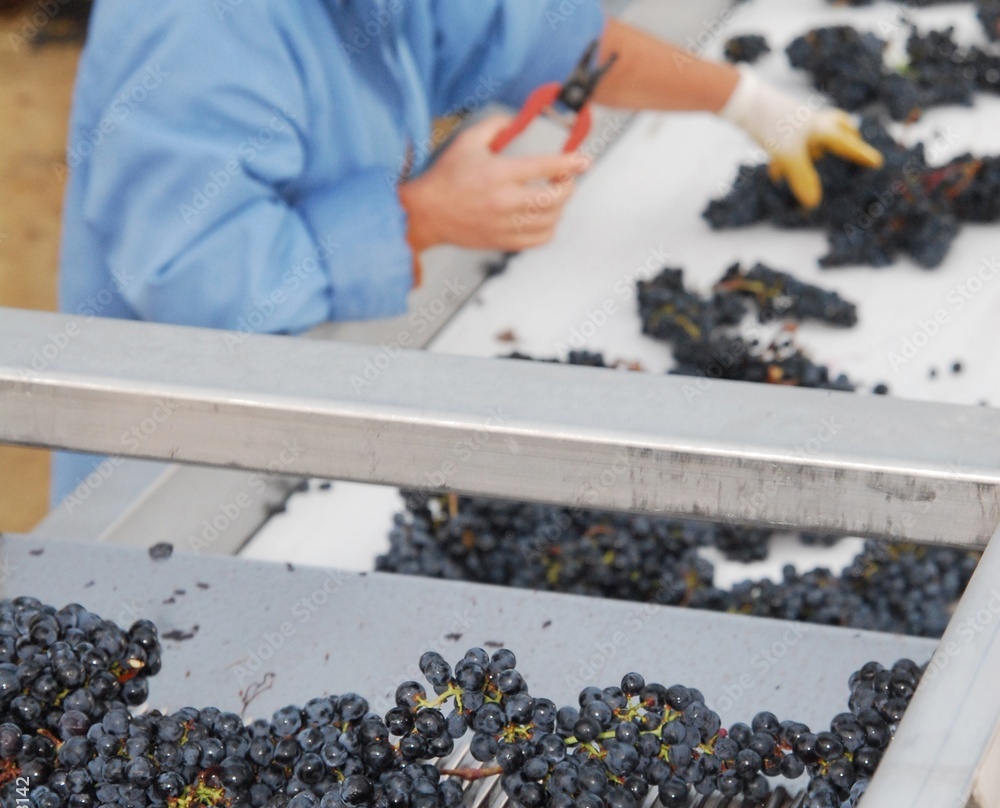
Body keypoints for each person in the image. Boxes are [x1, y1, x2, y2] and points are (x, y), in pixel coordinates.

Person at [55, 0, 882, 502]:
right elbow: (201, 285)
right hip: (177, 453)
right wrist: (420, 217)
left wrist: (748, 102)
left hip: (331, 395)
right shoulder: (196, 30)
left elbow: (546, 43)